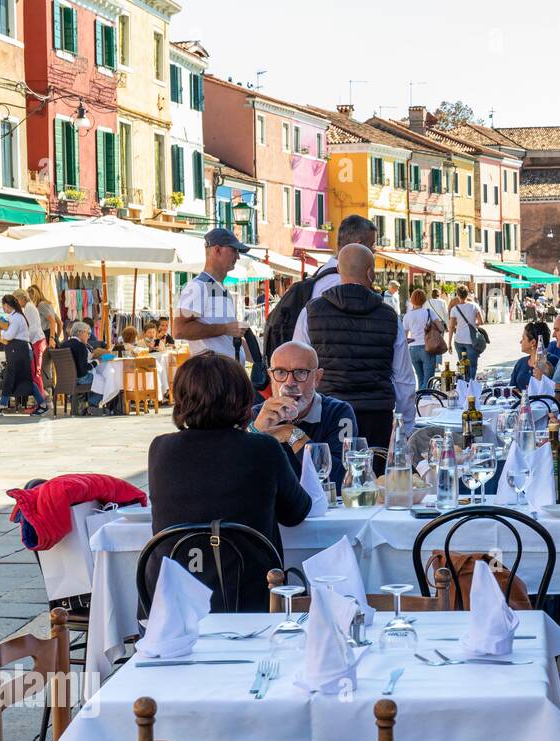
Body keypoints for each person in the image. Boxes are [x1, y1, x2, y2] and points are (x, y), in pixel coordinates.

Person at [147, 352, 311, 611]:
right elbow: (297, 512)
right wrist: (288, 438)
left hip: (171, 605)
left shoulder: (161, 449)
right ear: (243, 399)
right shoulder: (262, 448)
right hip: (249, 600)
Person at [294, 243, 416, 458]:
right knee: (376, 484)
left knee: (329, 479)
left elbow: (299, 368)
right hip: (376, 416)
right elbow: (404, 379)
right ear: (370, 273)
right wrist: (405, 428)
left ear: (339, 270)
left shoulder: (311, 312)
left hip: (327, 413)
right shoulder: (389, 317)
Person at [250, 342, 358, 485]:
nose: (289, 382)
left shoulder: (338, 413)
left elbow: (344, 480)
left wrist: (292, 435)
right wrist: (254, 433)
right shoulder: (257, 415)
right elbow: (236, 479)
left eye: (300, 372)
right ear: (271, 377)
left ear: (317, 378)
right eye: (280, 372)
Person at [282, 215, 378, 352]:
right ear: (359, 245)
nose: (375, 250)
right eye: (372, 244)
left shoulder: (322, 274)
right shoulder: (340, 282)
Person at [176, 228, 251, 361]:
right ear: (217, 250)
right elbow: (179, 330)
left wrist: (262, 360)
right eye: (234, 250)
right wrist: (225, 329)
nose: (238, 256)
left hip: (226, 373)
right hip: (212, 375)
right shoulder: (197, 286)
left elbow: (228, 337)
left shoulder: (221, 290)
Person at [0, 294, 47, 414]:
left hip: (19, 350)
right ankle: (42, 404)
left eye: (3, 305)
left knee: (12, 377)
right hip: (19, 350)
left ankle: (1, 405)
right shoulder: (14, 316)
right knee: (23, 379)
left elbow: (9, 335)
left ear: (6, 305)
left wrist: (0, 332)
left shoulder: (17, 318)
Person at [403, 288, 444, 389]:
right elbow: (441, 328)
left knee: (420, 378)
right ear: (424, 300)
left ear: (412, 300)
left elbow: (404, 336)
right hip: (427, 347)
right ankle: (424, 397)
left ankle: (420, 401)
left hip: (413, 349)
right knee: (428, 379)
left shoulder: (407, 316)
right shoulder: (428, 312)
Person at [65, 321, 106, 412]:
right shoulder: (80, 346)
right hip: (81, 378)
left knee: (97, 378)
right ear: (81, 332)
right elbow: (84, 368)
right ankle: (92, 404)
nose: (89, 336)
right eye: (88, 333)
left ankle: (88, 405)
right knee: (105, 380)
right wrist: (97, 361)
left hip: (67, 379)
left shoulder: (64, 344)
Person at [448, 284, 485, 380]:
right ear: (467, 294)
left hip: (459, 340)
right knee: (472, 366)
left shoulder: (454, 309)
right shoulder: (474, 306)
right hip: (471, 340)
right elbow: (481, 322)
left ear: (457, 295)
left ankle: (464, 385)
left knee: (462, 367)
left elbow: (451, 327)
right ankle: (471, 386)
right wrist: (473, 324)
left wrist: (449, 343)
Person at [15, 291, 46, 396]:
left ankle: (41, 403)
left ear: (22, 298)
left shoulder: (29, 308)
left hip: (37, 341)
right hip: (36, 341)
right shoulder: (28, 307)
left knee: (35, 373)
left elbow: (32, 328)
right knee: (34, 373)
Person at [511, 320, 551, 392]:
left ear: (533, 342)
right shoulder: (521, 362)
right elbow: (512, 388)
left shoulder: (551, 361)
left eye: (523, 338)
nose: (520, 341)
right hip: (521, 402)